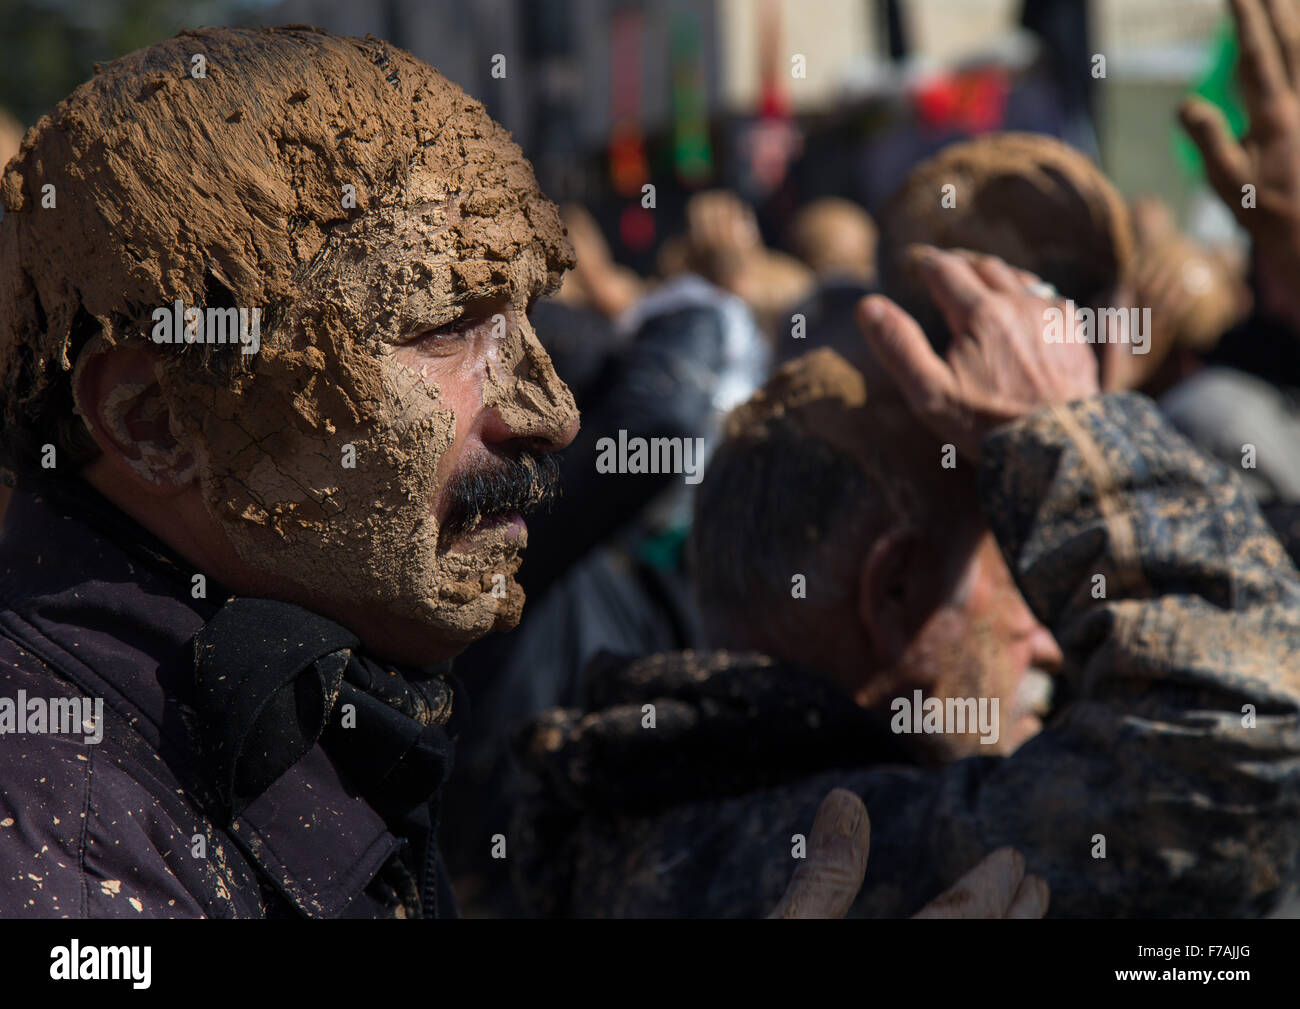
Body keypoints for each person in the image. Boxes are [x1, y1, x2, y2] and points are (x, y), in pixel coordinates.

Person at [512, 244, 1300, 918]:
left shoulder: (667, 804)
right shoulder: (826, 841)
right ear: (893, 590)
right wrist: (1069, 438)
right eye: (1023, 575)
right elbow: (1249, 756)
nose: (1052, 643)